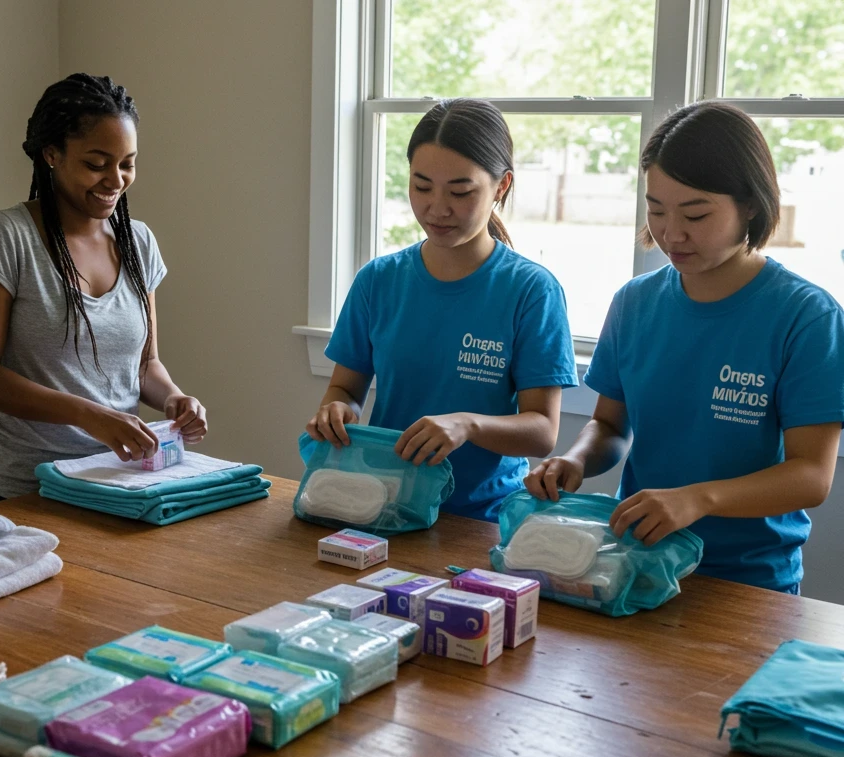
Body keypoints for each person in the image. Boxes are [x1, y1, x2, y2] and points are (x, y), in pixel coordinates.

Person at [526, 101, 844, 594]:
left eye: (696, 214)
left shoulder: (806, 317)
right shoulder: (635, 303)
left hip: (747, 581)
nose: (671, 233)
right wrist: (576, 460)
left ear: (752, 206)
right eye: (656, 210)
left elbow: (811, 476)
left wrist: (699, 499)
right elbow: (610, 425)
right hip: (634, 561)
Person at [307, 98, 577, 521]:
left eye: (460, 191)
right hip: (381, 504)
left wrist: (467, 425)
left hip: (482, 518)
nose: (437, 208)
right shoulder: (379, 280)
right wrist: (338, 411)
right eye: (421, 186)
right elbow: (345, 390)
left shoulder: (531, 290)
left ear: (501, 187)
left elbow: (542, 432)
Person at [0, 73, 207, 505]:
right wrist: (89, 415)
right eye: (96, 164)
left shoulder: (138, 242)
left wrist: (175, 399)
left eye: (127, 163)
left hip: (116, 485)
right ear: (52, 154)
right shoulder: (7, 236)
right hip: (22, 490)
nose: (115, 180)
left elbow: (145, 364)